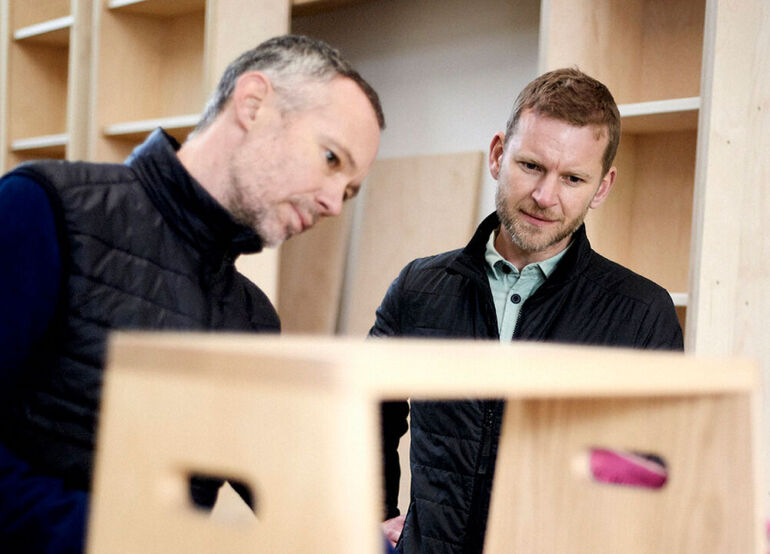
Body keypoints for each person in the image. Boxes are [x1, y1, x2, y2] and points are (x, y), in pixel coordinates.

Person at [0, 34, 383, 553]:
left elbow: (293, 495)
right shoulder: (44, 209)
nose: (335, 203)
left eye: (351, 189)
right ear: (253, 103)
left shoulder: (253, 319)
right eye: (332, 159)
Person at [372, 68, 683, 553]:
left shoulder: (641, 313)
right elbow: (369, 413)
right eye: (532, 166)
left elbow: (655, 473)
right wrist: (381, 512)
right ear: (499, 155)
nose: (545, 197)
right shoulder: (420, 287)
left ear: (601, 187)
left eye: (573, 178)